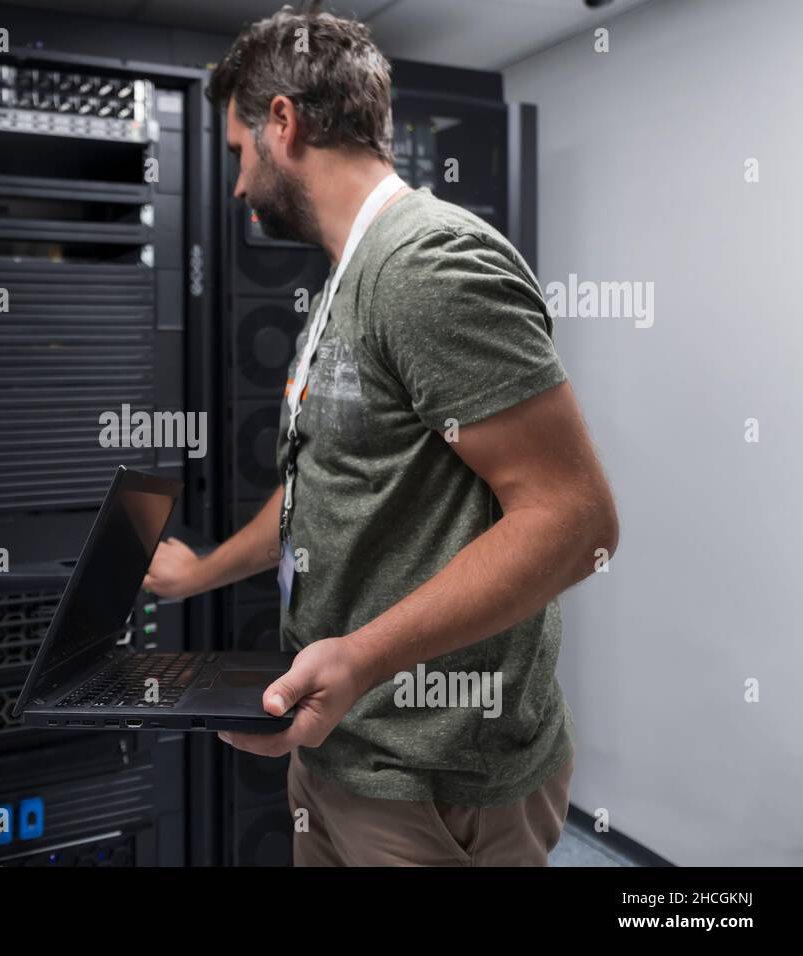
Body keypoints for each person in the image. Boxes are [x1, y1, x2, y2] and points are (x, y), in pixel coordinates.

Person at [142, 7, 619, 866]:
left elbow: (577, 524)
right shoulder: (347, 278)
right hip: (343, 752)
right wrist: (202, 571)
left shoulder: (426, 263)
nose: (239, 186)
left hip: (436, 781)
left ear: (281, 122)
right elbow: (326, 483)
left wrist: (359, 659)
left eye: (237, 154)